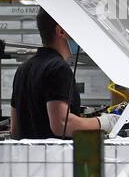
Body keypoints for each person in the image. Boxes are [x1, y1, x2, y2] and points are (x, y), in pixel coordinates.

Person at [9, 10, 118, 139]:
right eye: (74, 28)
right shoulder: (58, 68)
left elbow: (15, 129)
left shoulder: (23, 69)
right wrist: (105, 122)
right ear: (60, 31)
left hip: (29, 156)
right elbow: (62, 124)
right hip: (55, 156)